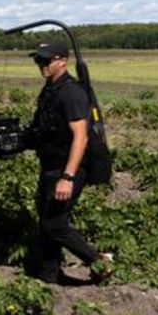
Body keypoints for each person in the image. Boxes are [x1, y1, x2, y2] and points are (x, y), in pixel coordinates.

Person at [27, 42, 113, 285]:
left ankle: (99, 261)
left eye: (46, 60)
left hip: (67, 169)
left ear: (62, 61)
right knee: (45, 225)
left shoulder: (71, 92)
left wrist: (68, 177)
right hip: (50, 166)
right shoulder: (50, 90)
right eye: (38, 61)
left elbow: (81, 136)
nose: (41, 66)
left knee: (54, 224)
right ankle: (50, 277)